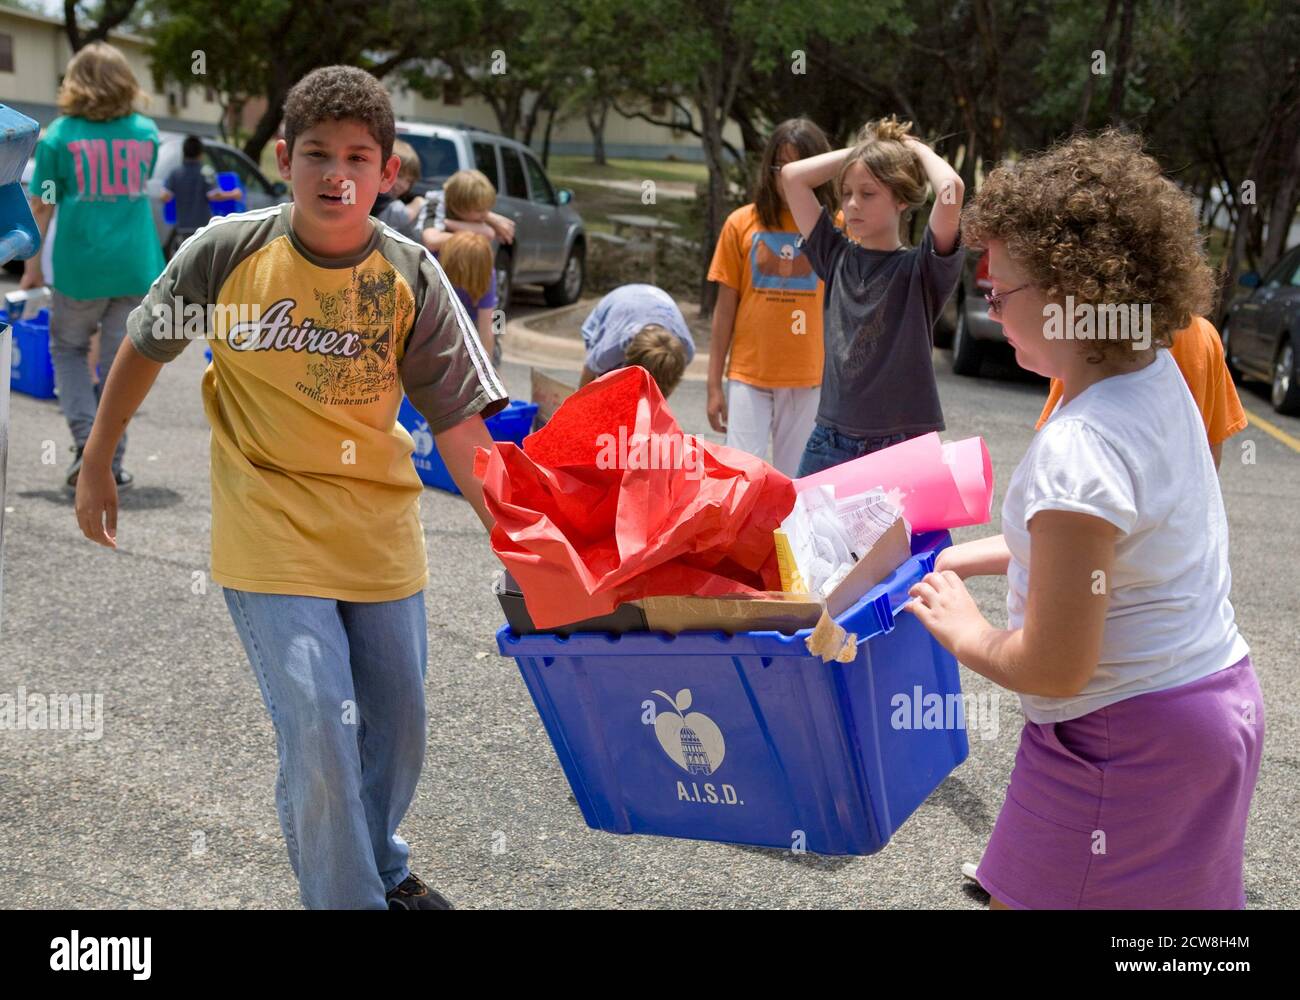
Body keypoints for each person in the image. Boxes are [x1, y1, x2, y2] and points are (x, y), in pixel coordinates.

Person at [72, 65, 509, 910]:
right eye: (315, 154)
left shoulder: (412, 275)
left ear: (390, 173)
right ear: (283, 158)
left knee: (399, 724)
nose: (334, 174)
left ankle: (380, 863)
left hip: (377, 533)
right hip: (267, 527)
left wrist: (515, 533)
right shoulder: (228, 251)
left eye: (357, 156)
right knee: (316, 721)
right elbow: (142, 345)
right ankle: (348, 899)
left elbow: (459, 423)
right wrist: (97, 456)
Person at [907, 129, 1263, 910]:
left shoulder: (1079, 445)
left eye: (1001, 293)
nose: (989, 302)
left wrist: (964, 630)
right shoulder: (1156, 371)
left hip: (1119, 734)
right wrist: (964, 561)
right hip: (1211, 698)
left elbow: (1054, 667)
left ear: (1073, 293)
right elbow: (1099, 552)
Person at [782, 116, 965, 477]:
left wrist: (910, 149)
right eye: (846, 192)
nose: (852, 204)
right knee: (798, 535)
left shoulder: (922, 270)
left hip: (902, 447)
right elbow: (792, 177)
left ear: (900, 199)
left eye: (868, 193)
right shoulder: (834, 255)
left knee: (910, 538)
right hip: (829, 440)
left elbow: (951, 188)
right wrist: (870, 149)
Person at [21, 41, 168, 492]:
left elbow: (42, 205)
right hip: (136, 265)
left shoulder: (59, 137)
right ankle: (111, 462)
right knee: (120, 367)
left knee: (67, 351)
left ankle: (87, 446)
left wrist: (31, 267)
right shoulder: (146, 133)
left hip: (80, 268)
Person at [706, 118, 833, 476]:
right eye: (781, 168)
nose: (788, 179)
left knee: (795, 484)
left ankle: (785, 537)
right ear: (769, 170)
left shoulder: (834, 226)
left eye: (800, 168)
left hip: (809, 378)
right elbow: (724, 310)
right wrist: (714, 384)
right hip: (749, 375)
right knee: (741, 479)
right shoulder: (740, 223)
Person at [1036, 314, 1247, 470]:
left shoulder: (1094, 327)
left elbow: (1059, 441)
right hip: (1175, 510)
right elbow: (1212, 448)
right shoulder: (1206, 334)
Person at [579, 283, 695, 399]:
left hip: (654, 301)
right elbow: (590, 369)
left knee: (647, 395)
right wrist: (578, 408)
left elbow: (666, 386)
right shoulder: (610, 348)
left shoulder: (686, 351)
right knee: (609, 386)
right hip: (617, 301)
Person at [160, 134, 243, 255]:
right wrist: (234, 194)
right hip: (202, 224)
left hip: (183, 225)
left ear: (184, 152)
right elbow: (214, 195)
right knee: (201, 255)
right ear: (200, 154)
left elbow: (165, 196)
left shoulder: (175, 173)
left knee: (186, 253)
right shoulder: (206, 172)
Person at [438, 231, 499, 364]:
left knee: (498, 323)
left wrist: (486, 367)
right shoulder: (437, 268)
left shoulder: (488, 277)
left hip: (487, 314)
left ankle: (496, 359)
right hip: (456, 314)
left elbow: (485, 330)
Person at [421, 168, 515, 255]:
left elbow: (488, 233)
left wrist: (449, 223)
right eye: (480, 210)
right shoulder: (436, 204)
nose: (486, 215)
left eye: (487, 208)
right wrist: (473, 236)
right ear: (458, 206)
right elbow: (431, 241)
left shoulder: (471, 212)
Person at [370, 138, 425, 242]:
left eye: (409, 181)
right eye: (399, 176)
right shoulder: (380, 196)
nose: (403, 185)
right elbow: (401, 216)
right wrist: (418, 202)